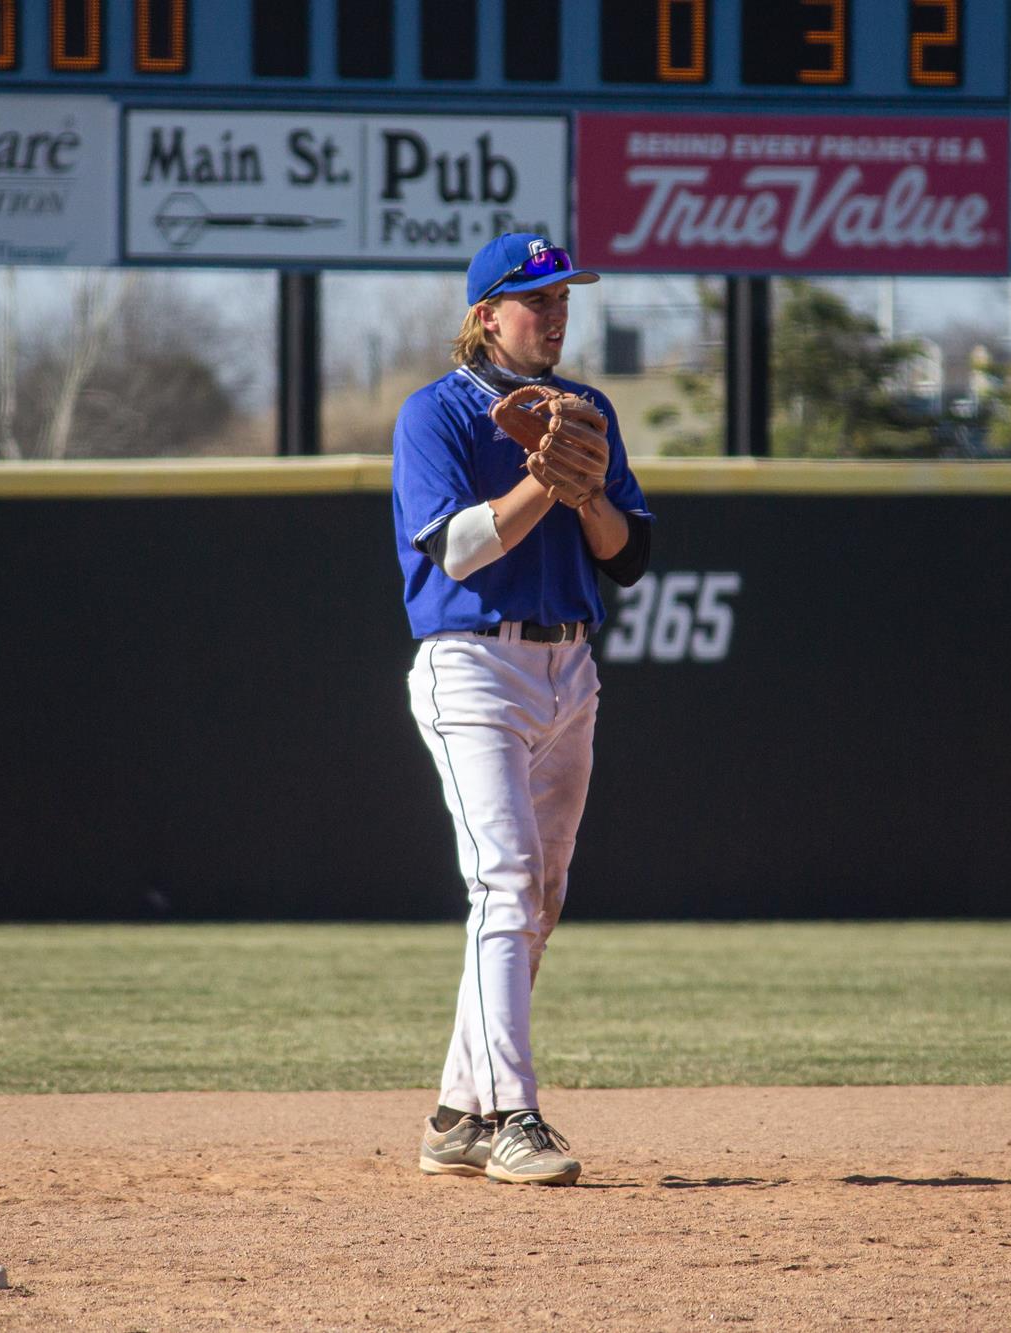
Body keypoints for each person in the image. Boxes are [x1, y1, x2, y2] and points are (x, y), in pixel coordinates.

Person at [391, 233, 654, 1186]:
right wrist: (544, 477)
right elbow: (456, 550)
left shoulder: (587, 412)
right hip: (473, 666)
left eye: (562, 297)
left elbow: (627, 554)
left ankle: (458, 1112)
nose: (554, 312)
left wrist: (584, 491)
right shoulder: (435, 415)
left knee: (537, 900)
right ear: (484, 316)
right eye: (534, 297)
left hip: (569, 668)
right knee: (504, 881)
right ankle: (514, 1115)